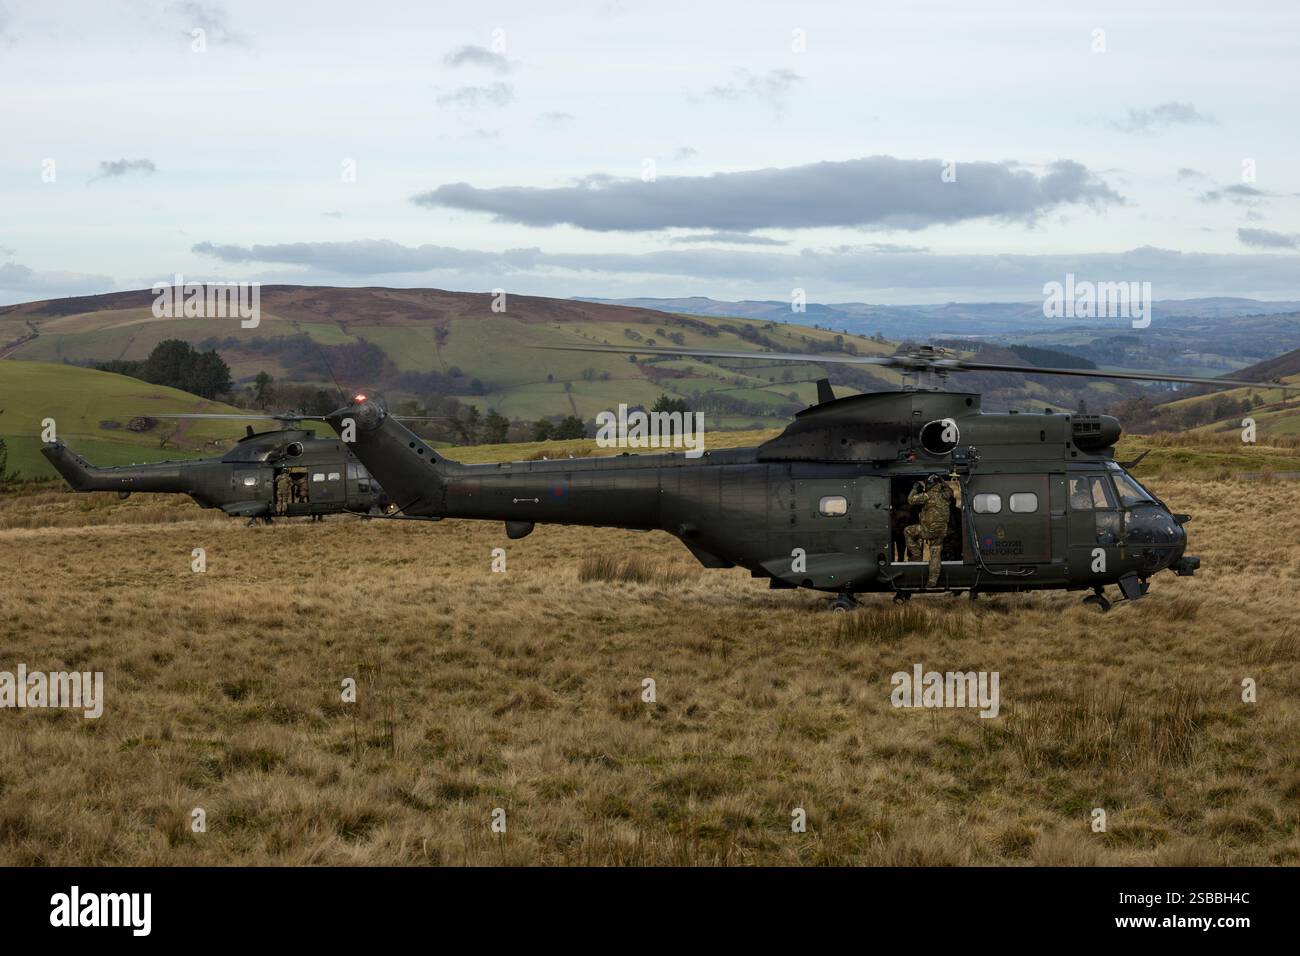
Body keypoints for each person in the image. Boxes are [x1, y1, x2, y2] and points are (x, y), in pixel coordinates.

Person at [905, 474, 953, 587]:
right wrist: (942, 481)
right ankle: (932, 580)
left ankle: (917, 555)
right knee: (935, 554)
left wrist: (915, 488)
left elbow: (910, 500)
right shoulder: (945, 495)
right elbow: (950, 490)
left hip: (927, 530)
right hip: (941, 531)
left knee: (907, 531)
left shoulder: (927, 495)